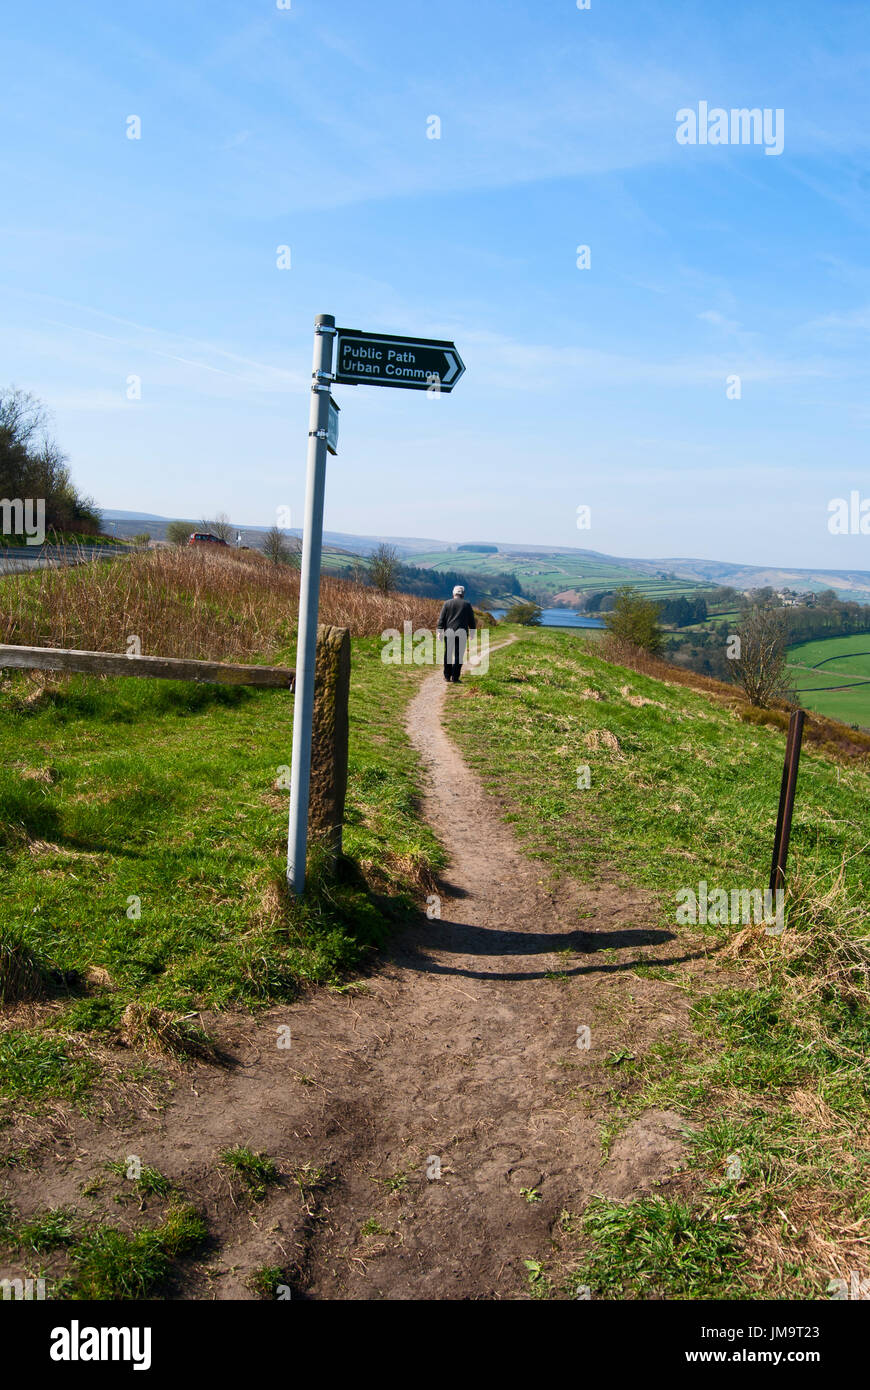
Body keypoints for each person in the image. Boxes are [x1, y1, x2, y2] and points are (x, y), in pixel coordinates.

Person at [436, 585, 476, 683]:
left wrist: (439, 631)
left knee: (448, 654)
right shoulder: (467, 604)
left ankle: (447, 676)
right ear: (463, 594)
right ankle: (455, 677)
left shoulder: (447, 603)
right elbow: (471, 620)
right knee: (459, 655)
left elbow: (441, 619)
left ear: (454, 593)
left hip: (449, 632)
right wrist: (472, 631)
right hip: (462, 633)